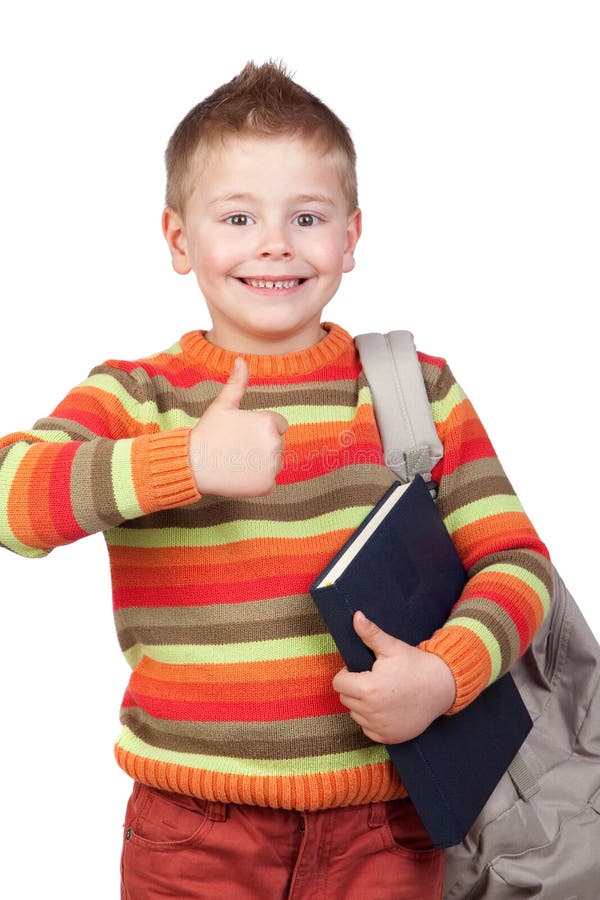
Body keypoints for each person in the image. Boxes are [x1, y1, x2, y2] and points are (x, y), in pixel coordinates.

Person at [0, 61, 552, 900]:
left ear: (351, 236)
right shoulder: (140, 395)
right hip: (191, 832)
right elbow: (12, 501)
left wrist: (444, 674)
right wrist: (182, 462)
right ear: (179, 239)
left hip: (388, 828)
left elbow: (517, 562)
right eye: (237, 216)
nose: (274, 243)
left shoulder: (414, 388)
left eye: (306, 216)